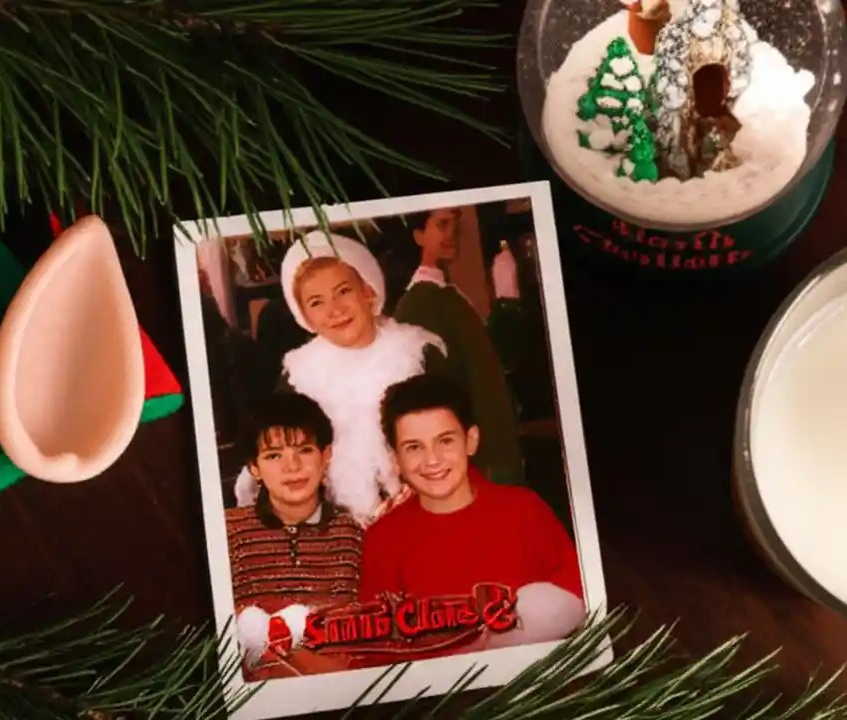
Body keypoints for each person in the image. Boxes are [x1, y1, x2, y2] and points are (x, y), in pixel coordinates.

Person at [358, 374, 587, 658]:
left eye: (445, 441)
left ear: (471, 440)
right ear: (395, 459)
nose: (432, 460)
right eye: (414, 447)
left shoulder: (523, 510)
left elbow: (580, 597)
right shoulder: (383, 538)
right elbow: (377, 649)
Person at [233, 231, 446, 525]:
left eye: (343, 291)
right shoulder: (297, 375)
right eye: (317, 302)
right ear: (304, 316)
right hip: (335, 523)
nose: (335, 310)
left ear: (368, 291)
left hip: (421, 507)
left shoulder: (419, 354)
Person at [226, 393, 363, 680]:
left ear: (326, 456)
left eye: (304, 450)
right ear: (254, 468)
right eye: (274, 455)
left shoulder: (354, 532)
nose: (292, 467)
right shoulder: (228, 532)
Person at [394, 207, 526, 487]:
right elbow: (430, 393)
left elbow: (482, 361)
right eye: (442, 225)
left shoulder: (445, 293)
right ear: (419, 235)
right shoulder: (421, 302)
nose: (451, 235)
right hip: (471, 458)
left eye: (455, 226)